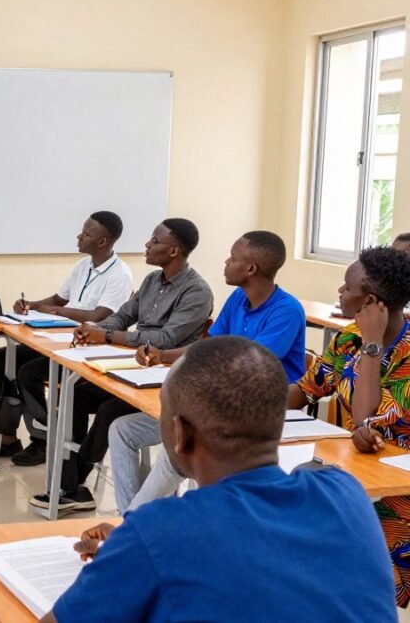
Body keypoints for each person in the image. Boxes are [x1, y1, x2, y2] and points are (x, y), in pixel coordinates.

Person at [39, 336, 395, 622]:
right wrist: (133, 548)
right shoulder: (346, 493)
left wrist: (135, 548)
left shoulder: (157, 531)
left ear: (180, 434)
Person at [109, 230, 306, 512]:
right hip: (218, 407)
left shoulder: (287, 310)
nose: (226, 262)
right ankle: (129, 516)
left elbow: (252, 368)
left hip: (257, 416)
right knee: (123, 430)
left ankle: (134, 521)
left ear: (250, 268)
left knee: (180, 451)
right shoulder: (238, 298)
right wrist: (162, 355)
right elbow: (209, 347)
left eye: (232, 258)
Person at [28, 218, 213, 512]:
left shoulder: (196, 291)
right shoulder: (151, 281)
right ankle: (73, 486)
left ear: (174, 251)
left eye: (155, 241)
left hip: (163, 377)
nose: (147, 245)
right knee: (74, 394)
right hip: (133, 365)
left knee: (109, 410)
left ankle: (73, 484)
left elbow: (167, 339)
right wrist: (95, 329)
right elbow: (124, 315)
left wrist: (108, 336)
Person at [288, 246, 410, 607]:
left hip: (400, 492)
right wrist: (241, 404)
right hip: (360, 475)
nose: (340, 292)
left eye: (347, 287)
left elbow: (366, 419)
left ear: (371, 301)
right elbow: (305, 389)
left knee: (355, 577)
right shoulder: (347, 338)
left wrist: (372, 344)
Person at [0, 212, 133, 461]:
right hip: (60, 341)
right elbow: (58, 299)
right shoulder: (83, 266)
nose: (79, 236)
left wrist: (55, 311)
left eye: (86, 234)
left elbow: (100, 316)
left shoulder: (120, 274)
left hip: (87, 349)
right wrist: (31, 305)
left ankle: (43, 441)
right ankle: (7, 438)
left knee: (28, 373)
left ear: (102, 241)